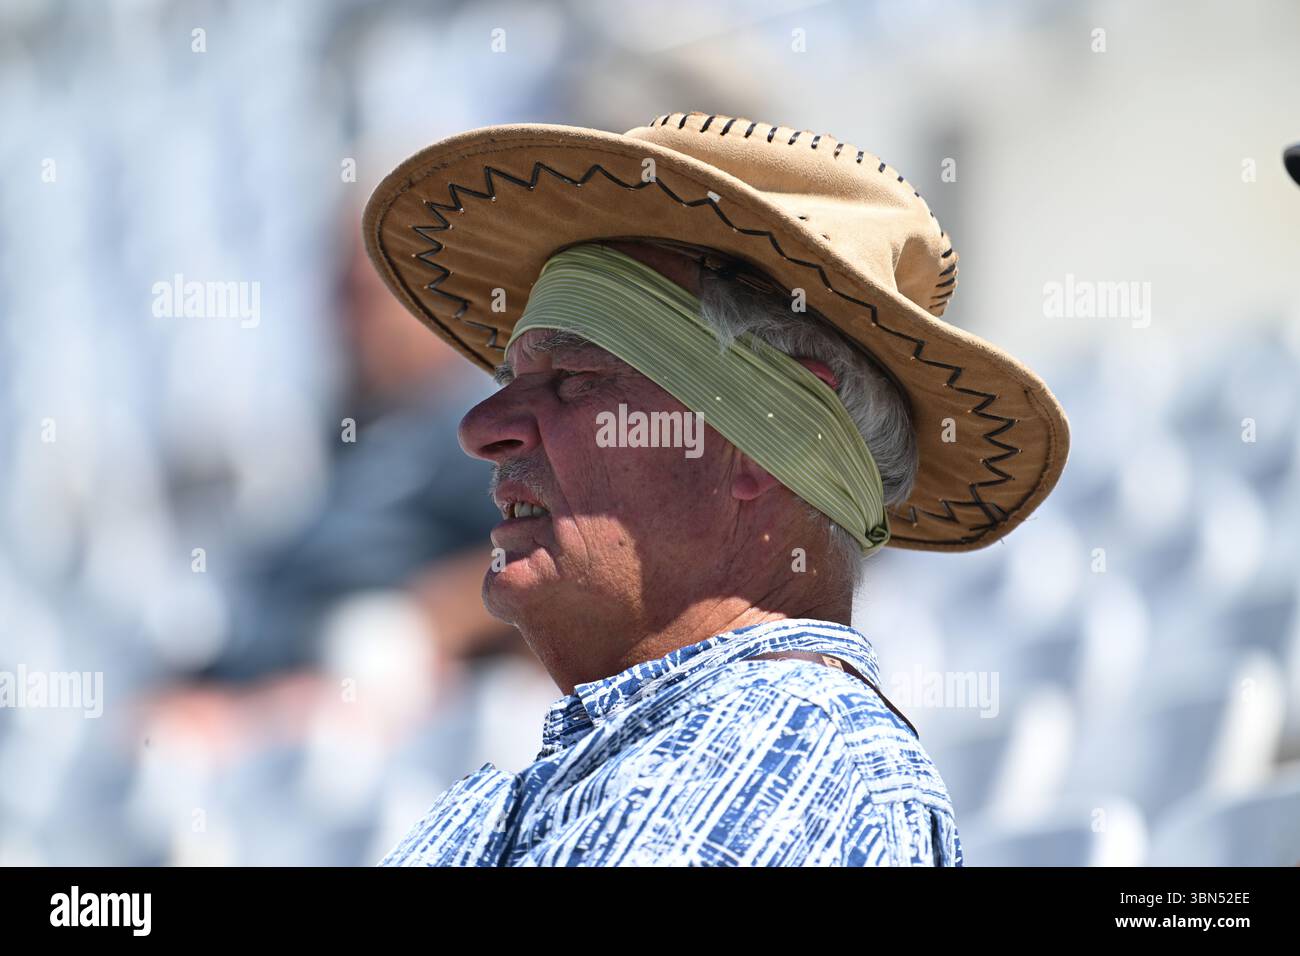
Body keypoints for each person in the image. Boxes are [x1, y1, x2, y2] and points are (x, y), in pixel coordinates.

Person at [362, 111, 1071, 865]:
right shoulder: (689, 755)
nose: (482, 427)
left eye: (573, 379)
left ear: (770, 435)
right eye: (512, 378)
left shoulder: (779, 760)